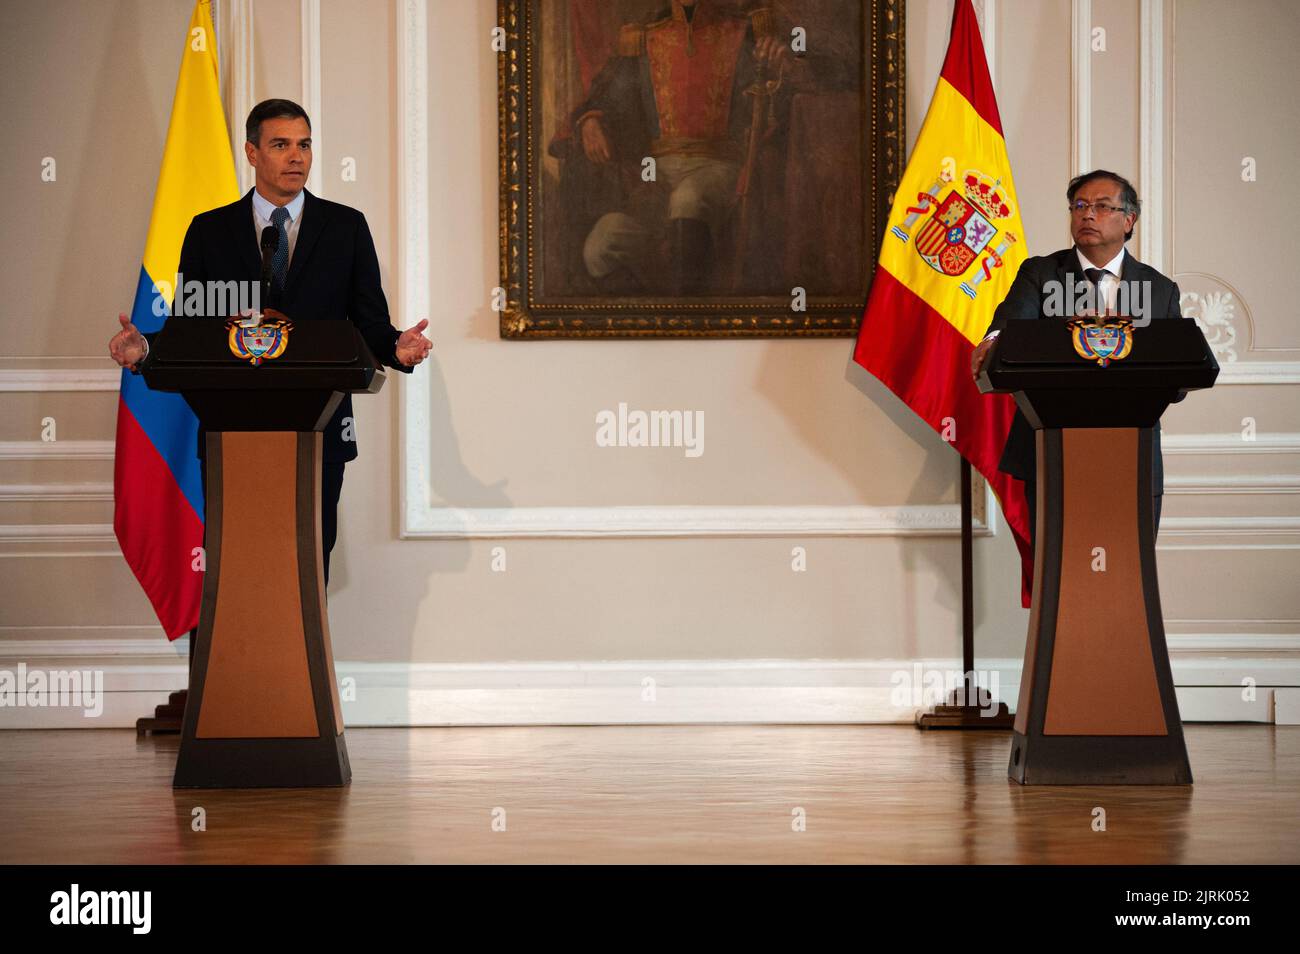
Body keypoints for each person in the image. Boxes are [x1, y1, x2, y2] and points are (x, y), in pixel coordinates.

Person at [108, 99, 431, 583]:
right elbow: (191, 328)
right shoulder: (209, 230)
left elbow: (369, 322)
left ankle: (300, 661)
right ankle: (239, 658)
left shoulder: (345, 227)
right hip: (232, 428)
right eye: (281, 145)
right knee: (239, 566)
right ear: (252, 153)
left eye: (304, 145)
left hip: (319, 428)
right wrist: (147, 351)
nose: (296, 157)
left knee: (305, 564)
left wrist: (396, 347)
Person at [971, 169, 1186, 547]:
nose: (1087, 215)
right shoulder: (1040, 273)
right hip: (1051, 449)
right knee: (1058, 575)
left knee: (1129, 573)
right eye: (1080, 206)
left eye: (1102, 207)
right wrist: (993, 341)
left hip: (1131, 455)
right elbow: (1009, 324)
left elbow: (1178, 370)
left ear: (1129, 220)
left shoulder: (1159, 289)